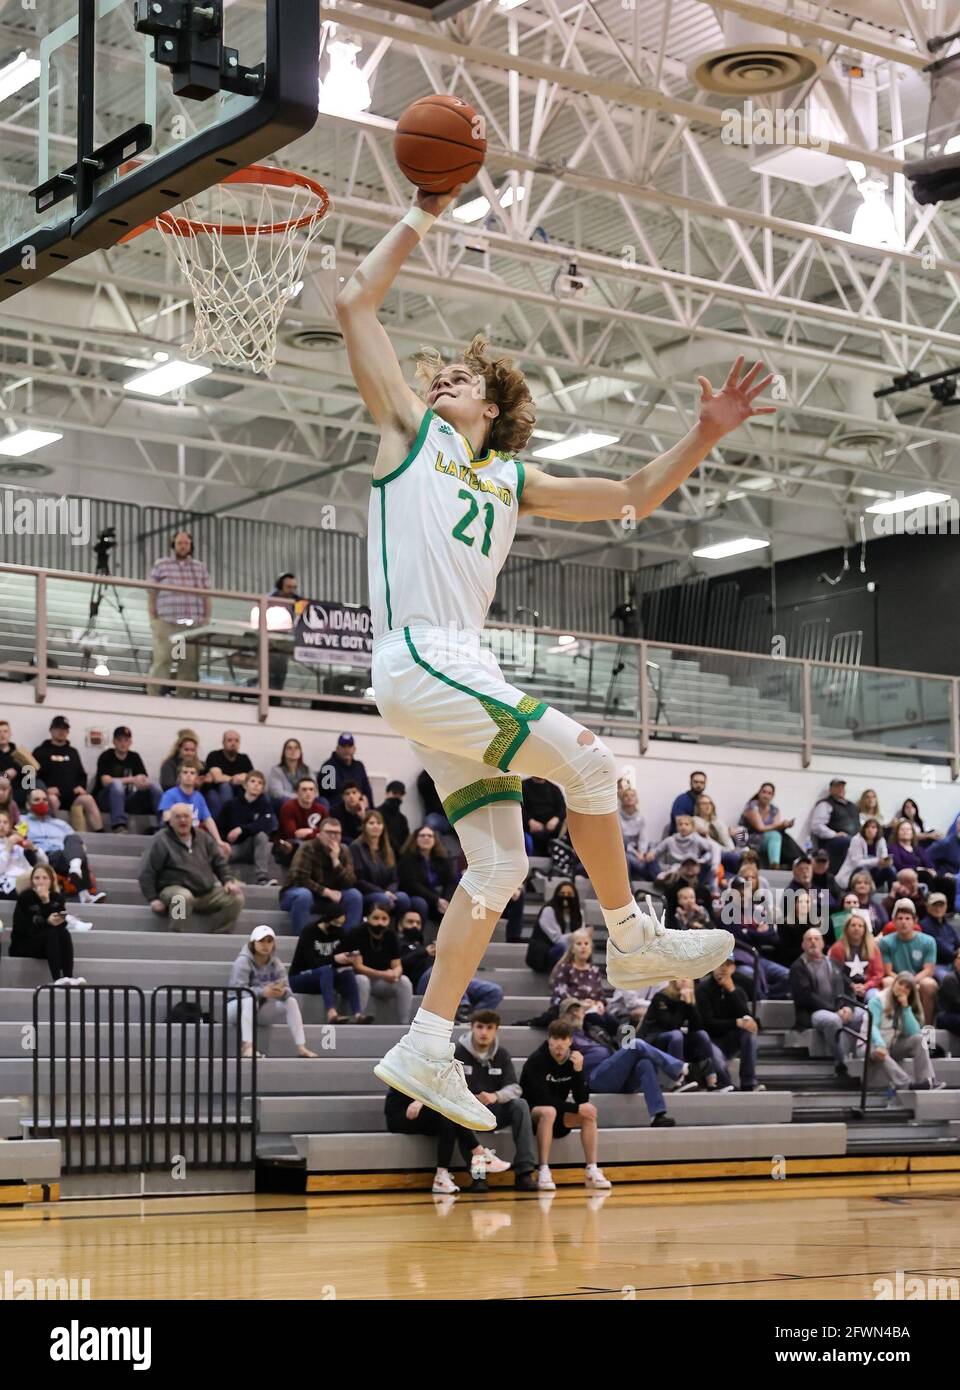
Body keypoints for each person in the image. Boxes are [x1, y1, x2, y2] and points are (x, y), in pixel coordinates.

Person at [337, 190, 755, 1128]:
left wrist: (706, 433)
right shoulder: (408, 436)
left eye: (455, 376)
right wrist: (424, 209)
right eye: (435, 372)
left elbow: (632, 495)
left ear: (492, 406)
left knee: (500, 871)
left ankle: (426, 1043)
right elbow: (354, 305)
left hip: (449, 677)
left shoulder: (511, 479)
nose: (438, 378)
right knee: (594, 765)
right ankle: (630, 935)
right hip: (422, 660)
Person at [561, 998, 688, 1126]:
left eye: (578, 1010)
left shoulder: (593, 1029)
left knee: (645, 1064)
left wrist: (601, 1011)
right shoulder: (564, 1037)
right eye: (570, 1012)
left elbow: (616, 1026)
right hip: (596, 1078)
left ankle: (657, 1115)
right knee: (635, 1044)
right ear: (561, 1016)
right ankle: (681, 1069)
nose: (575, 1014)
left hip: (615, 1073)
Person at [520, 1020, 611, 1189]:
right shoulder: (537, 1060)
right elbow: (541, 1099)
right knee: (549, 1111)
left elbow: (582, 1100)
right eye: (556, 1039)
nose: (560, 1044)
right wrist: (575, 1108)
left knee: (589, 1113)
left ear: (570, 1041)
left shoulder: (574, 1060)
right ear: (549, 1040)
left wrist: (578, 1071)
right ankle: (543, 1170)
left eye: (564, 1039)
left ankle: (592, 1169)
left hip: (559, 1113)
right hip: (532, 1115)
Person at [454, 1010, 539, 1190]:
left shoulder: (502, 1054)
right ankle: (479, 1178)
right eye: (480, 1027)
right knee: (458, 1113)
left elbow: (515, 1088)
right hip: (468, 1111)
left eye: (489, 1028)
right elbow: (449, 1087)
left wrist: (495, 1096)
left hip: (494, 1110)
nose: (484, 1032)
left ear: (496, 1030)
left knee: (520, 1105)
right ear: (471, 1028)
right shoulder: (458, 1053)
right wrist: (470, 1099)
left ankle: (524, 1172)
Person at [139, 803, 244, 933]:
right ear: (170, 821)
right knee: (182, 897)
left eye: (186, 816)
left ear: (192, 819)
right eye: (178, 817)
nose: (183, 820)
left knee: (236, 898)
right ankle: (176, 934)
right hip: (173, 890)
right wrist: (152, 899)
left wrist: (228, 881)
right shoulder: (161, 840)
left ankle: (220, 934)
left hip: (205, 892)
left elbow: (219, 862)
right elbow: (147, 871)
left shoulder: (203, 837)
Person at [228, 925, 317, 1059]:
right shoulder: (243, 961)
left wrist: (281, 992)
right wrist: (262, 992)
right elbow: (238, 991)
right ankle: (247, 1047)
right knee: (249, 1000)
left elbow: (287, 988)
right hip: (235, 1008)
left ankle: (301, 1047)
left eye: (269, 941)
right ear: (253, 943)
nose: (266, 945)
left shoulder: (276, 963)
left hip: (262, 1008)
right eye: (262, 941)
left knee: (291, 1001)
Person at [790, 927, 865, 1078]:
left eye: (816, 939)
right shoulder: (798, 967)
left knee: (864, 1015)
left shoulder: (833, 963)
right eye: (809, 939)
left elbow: (849, 988)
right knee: (833, 1020)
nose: (813, 942)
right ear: (803, 945)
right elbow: (806, 997)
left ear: (823, 943)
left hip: (840, 1008)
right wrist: (834, 1009)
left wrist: (848, 1008)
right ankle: (841, 1063)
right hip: (815, 1012)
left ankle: (862, 1057)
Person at [383, 1088, 484, 1196]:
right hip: (403, 1112)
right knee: (451, 1116)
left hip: (439, 1109)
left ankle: (445, 1176)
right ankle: (479, 1156)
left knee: (450, 1120)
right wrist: (420, 1101)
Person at [147, 529, 211, 696]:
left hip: (192, 626)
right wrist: (153, 617)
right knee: (163, 661)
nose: (183, 546)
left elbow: (206, 594)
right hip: (167, 623)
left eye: (186, 543)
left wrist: (206, 618)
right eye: (179, 543)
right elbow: (151, 591)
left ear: (191, 546)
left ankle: (184, 700)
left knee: (189, 664)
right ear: (173, 545)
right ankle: (152, 697)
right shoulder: (162, 564)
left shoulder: (199, 567)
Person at [287, 904, 373, 1024]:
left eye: (341, 923)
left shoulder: (340, 933)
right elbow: (311, 962)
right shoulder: (309, 931)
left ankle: (358, 1013)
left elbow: (339, 960)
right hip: (301, 977)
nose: (338, 926)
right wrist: (335, 959)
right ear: (327, 920)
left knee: (347, 972)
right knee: (325, 970)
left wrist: (349, 958)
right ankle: (331, 1013)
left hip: (326, 979)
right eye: (336, 923)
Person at [280, 815, 363, 937]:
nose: (334, 836)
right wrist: (326, 891)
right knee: (304, 895)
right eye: (330, 832)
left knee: (354, 895)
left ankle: (347, 944)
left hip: (327, 899)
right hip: (296, 894)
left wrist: (336, 861)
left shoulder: (344, 850)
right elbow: (300, 878)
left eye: (338, 833)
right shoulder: (308, 847)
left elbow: (350, 881)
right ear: (320, 834)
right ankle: (301, 940)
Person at [867, 973, 944, 1094]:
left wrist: (905, 1008)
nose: (902, 988)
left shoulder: (906, 1003)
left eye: (907, 987)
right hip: (870, 1045)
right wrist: (880, 1044)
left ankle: (927, 1081)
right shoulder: (878, 1000)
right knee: (880, 1052)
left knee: (919, 1039)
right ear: (894, 983)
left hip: (892, 1045)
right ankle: (906, 1084)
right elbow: (872, 1026)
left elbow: (914, 1031)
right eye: (900, 984)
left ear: (911, 991)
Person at [22, 788, 103, 903]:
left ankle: (75, 868)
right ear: (28, 805)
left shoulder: (60, 824)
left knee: (73, 839)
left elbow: (77, 844)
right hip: (37, 857)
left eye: (45, 800)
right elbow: (19, 841)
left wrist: (77, 854)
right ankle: (84, 893)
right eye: (37, 800)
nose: (42, 802)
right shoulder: (21, 821)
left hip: (62, 857)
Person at [641, 977, 724, 1088]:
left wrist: (690, 1005)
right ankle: (677, 1080)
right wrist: (682, 1003)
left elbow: (698, 1027)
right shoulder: (661, 997)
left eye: (688, 977)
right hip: (653, 1039)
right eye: (680, 976)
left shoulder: (689, 998)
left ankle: (711, 1081)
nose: (684, 980)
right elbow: (669, 1025)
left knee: (701, 1035)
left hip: (675, 1039)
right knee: (676, 1035)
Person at [11, 862, 84, 985]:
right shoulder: (25, 897)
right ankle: (57, 978)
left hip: (49, 944)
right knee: (51, 933)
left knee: (64, 933)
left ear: (51, 881)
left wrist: (47, 902)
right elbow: (22, 928)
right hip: (25, 944)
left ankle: (69, 977)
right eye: (37, 878)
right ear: (32, 880)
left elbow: (61, 925)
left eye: (45, 878)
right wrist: (46, 921)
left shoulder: (57, 898)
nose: (41, 882)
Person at [696, 958, 763, 1090]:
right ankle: (726, 1085)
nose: (723, 968)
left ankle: (749, 1082)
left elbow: (746, 1016)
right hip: (709, 1040)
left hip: (729, 1041)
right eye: (720, 963)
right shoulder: (702, 989)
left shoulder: (738, 989)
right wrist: (736, 1023)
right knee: (714, 1053)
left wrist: (732, 990)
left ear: (733, 967)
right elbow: (708, 1023)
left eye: (728, 964)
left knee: (749, 1033)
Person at [32, 716, 102, 833]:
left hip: (71, 796)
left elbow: (82, 775)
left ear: (68, 732)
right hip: (52, 796)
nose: (61, 732)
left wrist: (81, 787)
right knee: (52, 800)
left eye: (64, 729)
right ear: (51, 730)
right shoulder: (40, 751)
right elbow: (31, 777)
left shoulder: (73, 752)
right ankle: (55, 832)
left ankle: (101, 834)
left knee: (88, 799)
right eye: (58, 728)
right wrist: (46, 790)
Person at [345, 904, 413, 1023]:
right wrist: (384, 975)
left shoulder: (391, 935)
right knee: (362, 980)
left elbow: (397, 964)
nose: (380, 923)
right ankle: (357, 1019)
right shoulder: (356, 933)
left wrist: (395, 974)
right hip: (357, 980)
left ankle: (405, 1024)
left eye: (384, 919)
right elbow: (358, 967)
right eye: (375, 918)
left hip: (381, 982)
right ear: (368, 918)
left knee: (404, 982)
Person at [349, 807, 421, 920]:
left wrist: (390, 892)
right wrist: (383, 892)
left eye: (379, 823)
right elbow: (359, 880)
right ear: (364, 826)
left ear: (383, 827)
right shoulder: (356, 847)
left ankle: (399, 931)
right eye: (371, 823)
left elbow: (395, 879)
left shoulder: (388, 849)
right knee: (383, 899)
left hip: (387, 893)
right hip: (366, 894)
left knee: (403, 898)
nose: (375, 826)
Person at [877, 900, 939, 1024]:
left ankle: (926, 1026)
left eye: (907, 918)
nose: (903, 922)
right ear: (893, 922)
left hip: (919, 979)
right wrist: (905, 984)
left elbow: (928, 970)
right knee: (887, 981)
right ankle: (894, 1025)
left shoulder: (929, 941)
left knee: (929, 984)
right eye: (899, 918)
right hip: (896, 978)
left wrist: (912, 982)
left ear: (914, 921)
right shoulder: (885, 942)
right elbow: (888, 971)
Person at [93, 725, 162, 832]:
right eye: (119, 740)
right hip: (106, 799)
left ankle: (164, 824)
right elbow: (105, 781)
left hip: (127, 799)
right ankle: (118, 824)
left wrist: (141, 782)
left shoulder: (134, 757)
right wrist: (132, 779)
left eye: (126, 740)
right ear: (114, 742)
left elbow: (142, 778)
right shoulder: (106, 756)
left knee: (155, 785)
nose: (123, 743)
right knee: (116, 784)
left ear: (130, 742)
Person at [216, 770, 279, 886]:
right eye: (252, 781)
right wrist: (225, 841)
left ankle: (262, 878)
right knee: (218, 851)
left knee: (262, 836)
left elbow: (266, 824)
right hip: (235, 847)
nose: (256, 785)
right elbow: (220, 827)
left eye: (260, 783)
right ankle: (219, 881)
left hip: (255, 847)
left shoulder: (265, 805)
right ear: (245, 785)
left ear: (262, 788)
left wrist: (242, 829)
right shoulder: (231, 805)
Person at [397, 825, 459, 935]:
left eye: (430, 836)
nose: (426, 838)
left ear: (435, 840)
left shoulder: (441, 859)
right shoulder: (408, 859)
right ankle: (419, 939)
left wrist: (446, 900)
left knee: (454, 909)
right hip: (415, 895)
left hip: (437, 898)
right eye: (422, 835)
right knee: (421, 904)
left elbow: (450, 881)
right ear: (415, 839)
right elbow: (412, 885)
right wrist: (436, 900)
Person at [889, 818, 953, 906]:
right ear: (897, 832)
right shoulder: (894, 848)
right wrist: (919, 869)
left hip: (924, 873)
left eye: (908, 829)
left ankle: (947, 910)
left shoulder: (918, 849)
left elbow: (929, 864)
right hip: (907, 875)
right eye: (902, 829)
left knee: (947, 882)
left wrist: (932, 870)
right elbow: (898, 865)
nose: (905, 832)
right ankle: (932, 902)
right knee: (924, 875)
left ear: (912, 833)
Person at [273, 775, 330, 869]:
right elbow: (292, 833)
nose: (308, 793)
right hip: (292, 845)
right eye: (304, 790)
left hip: (315, 842)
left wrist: (310, 832)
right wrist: (317, 833)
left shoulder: (321, 809)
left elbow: (327, 832)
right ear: (297, 792)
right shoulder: (288, 807)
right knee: (299, 845)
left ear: (315, 793)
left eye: (311, 790)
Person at [828, 910, 884, 1004]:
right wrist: (851, 986)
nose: (856, 928)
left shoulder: (873, 948)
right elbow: (836, 973)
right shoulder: (837, 948)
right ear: (847, 928)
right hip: (845, 988)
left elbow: (878, 973)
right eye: (853, 925)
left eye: (860, 926)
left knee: (875, 998)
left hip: (868, 988)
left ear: (865, 929)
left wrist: (866, 986)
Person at [158, 765, 223, 846]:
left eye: (192, 773)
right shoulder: (170, 794)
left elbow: (208, 819)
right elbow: (166, 817)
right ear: (179, 777)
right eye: (185, 772)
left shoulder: (199, 797)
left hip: (194, 838)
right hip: (173, 838)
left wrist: (218, 840)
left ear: (196, 778)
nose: (188, 775)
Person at [526, 880, 581, 974]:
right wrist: (576, 935)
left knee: (584, 946)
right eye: (562, 893)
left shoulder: (578, 913)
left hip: (569, 949)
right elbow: (557, 939)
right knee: (563, 946)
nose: (566, 896)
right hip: (545, 953)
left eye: (569, 894)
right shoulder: (549, 910)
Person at [740, 782, 798, 869]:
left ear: (772, 796)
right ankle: (775, 865)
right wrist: (780, 825)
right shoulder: (751, 806)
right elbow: (760, 827)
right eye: (764, 792)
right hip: (747, 838)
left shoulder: (774, 810)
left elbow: (775, 827)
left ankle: (790, 862)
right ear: (759, 793)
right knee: (775, 835)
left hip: (765, 840)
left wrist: (785, 825)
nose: (766, 795)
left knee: (780, 836)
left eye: (769, 793)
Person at [644, 813, 715, 885]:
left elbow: (712, 848)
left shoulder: (696, 839)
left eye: (686, 824)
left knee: (707, 865)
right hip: (672, 870)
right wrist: (652, 853)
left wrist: (703, 859)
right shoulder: (670, 840)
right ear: (677, 827)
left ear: (692, 827)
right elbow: (657, 850)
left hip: (691, 870)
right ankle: (663, 883)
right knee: (649, 859)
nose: (683, 827)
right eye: (680, 824)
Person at [810, 777, 860, 875]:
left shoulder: (852, 806)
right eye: (837, 787)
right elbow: (817, 826)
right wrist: (834, 834)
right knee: (848, 842)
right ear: (831, 789)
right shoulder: (825, 804)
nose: (841, 789)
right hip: (832, 842)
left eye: (842, 787)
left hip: (853, 841)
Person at [549, 929, 610, 1010]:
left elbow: (600, 995)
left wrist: (599, 1003)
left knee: (610, 1020)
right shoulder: (565, 969)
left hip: (592, 1009)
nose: (583, 947)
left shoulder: (595, 971)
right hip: (571, 1010)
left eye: (586, 943)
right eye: (579, 944)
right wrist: (580, 1004)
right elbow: (560, 993)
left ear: (591, 948)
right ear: (572, 949)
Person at [202, 730, 253, 820]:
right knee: (225, 787)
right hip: (214, 791)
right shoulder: (214, 755)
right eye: (229, 740)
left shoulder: (244, 758)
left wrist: (226, 777)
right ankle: (223, 825)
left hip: (238, 792)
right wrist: (234, 779)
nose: (233, 743)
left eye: (236, 741)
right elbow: (217, 778)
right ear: (223, 742)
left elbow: (251, 777)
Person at [317, 734, 374, 809]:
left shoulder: (359, 766)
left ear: (354, 749)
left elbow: (367, 791)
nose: (347, 750)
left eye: (349, 746)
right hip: (336, 811)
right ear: (337, 749)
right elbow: (327, 796)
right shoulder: (328, 767)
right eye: (343, 746)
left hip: (359, 808)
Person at [265, 573, 300, 692]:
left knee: (280, 672)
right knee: (270, 672)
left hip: (285, 642)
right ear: (280, 586)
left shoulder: (296, 601)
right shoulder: (269, 600)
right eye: (288, 587)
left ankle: (277, 694)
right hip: (270, 642)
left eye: (294, 588)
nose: (292, 591)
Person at [836, 816, 893, 891]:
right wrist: (877, 861)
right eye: (867, 827)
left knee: (891, 870)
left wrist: (886, 862)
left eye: (873, 827)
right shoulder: (856, 840)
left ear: (877, 830)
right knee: (863, 870)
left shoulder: (881, 840)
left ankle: (892, 894)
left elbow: (883, 857)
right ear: (864, 829)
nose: (870, 830)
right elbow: (857, 863)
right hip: (854, 873)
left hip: (874, 872)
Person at [694, 792, 738, 875]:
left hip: (727, 850)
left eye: (709, 803)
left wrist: (732, 831)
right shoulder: (695, 821)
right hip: (710, 852)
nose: (707, 806)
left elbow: (726, 838)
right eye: (703, 803)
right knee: (736, 858)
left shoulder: (718, 821)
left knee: (746, 856)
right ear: (698, 806)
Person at [918, 892, 960, 981]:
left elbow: (957, 943)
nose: (938, 908)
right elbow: (940, 948)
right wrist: (956, 955)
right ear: (928, 907)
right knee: (947, 979)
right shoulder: (924, 925)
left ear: (946, 907)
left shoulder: (947, 926)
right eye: (935, 905)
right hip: (936, 965)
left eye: (941, 905)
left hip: (953, 962)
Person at [522, 775, 566, 856]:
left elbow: (562, 808)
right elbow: (520, 808)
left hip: (553, 829)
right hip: (531, 828)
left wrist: (555, 819)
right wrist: (530, 821)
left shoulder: (554, 788)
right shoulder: (523, 786)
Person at [0, 720, 41, 805]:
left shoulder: (20, 754)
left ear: (10, 734)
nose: (2, 735)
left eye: (5, 731)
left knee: (38, 785)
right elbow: (5, 776)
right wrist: (5, 775)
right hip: (2, 792)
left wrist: (30, 767)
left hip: (19, 791)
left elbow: (31, 779)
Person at [0, 808, 36, 898]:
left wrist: (33, 849)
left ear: (10, 826)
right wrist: (8, 847)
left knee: (44, 875)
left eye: (5, 822)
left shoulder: (17, 843)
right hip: (8, 883)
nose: (2, 825)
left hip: (26, 878)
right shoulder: (11, 842)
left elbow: (41, 863)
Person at [266, 738, 313, 809]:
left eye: (296, 748)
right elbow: (277, 793)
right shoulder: (276, 770)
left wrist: (305, 797)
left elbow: (315, 791)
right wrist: (300, 797)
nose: (293, 751)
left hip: (306, 801)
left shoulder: (307, 770)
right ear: (284, 752)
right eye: (289, 748)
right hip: (286, 802)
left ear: (300, 752)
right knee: (284, 801)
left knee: (322, 801)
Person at [927, 815, 960, 909]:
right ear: (957, 826)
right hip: (949, 882)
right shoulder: (946, 843)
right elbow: (926, 857)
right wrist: (935, 872)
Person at [617, 783, 647, 877]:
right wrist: (636, 854)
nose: (629, 798)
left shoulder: (641, 817)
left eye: (632, 795)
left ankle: (660, 878)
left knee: (651, 856)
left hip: (638, 851)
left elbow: (643, 838)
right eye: (626, 796)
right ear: (622, 800)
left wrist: (642, 853)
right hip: (624, 850)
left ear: (636, 799)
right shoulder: (616, 818)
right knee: (629, 860)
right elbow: (622, 842)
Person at [849, 869, 889, 934]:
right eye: (859, 883)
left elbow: (885, 925)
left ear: (870, 886)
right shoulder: (848, 904)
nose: (862, 885)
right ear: (854, 886)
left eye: (866, 883)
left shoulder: (877, 906)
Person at [377, 780, 410, 856]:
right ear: (386, 794)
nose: (397, 797)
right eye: (394, 793)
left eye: (401, 794)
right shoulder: (376, 814)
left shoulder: (402, 819)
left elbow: (406, 843)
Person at [937, 946, 960, 1044]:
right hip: (948, 1015)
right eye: (959, 958)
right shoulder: (950, 979)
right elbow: (957, 1004)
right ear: (955, 962)